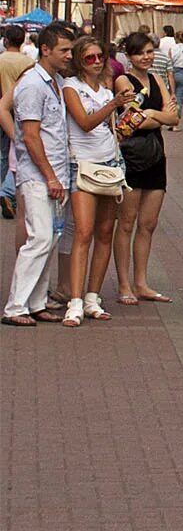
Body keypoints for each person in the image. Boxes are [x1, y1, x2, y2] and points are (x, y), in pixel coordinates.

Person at [3, 24, 76, 327]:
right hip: (38, 175)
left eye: (70, 50)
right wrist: (50, 176)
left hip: (55, 172)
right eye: (64, 50)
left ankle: (35, 302)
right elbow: (31, 136)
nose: (69, 55)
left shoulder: (55, 82)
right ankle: (15, 306)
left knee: (51, 237)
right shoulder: (33, 84)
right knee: (40, 238)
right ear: (45, 50)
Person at [61, 35, 132, 326]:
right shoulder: (71, 87)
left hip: (109, 162)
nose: (96, 62)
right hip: (82, 164)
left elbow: (108, 127)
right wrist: (114, 103)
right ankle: (75, 300)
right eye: (89, 57)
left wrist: (126, 121)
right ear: (79, 61)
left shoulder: (104, 89)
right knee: (83, 231)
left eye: (100, 56)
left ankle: (93, 297)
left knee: (105, 232)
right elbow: (85, 123)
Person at [112, 31, 178, 305]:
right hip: (131, 156)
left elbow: (174, 116)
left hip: (155, 155)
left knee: (148, 224)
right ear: (129, 56)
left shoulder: (156, 79)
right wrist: (156, 116)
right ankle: (124, 284)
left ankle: (141, 282)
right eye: (140, 53)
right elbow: (131, 120)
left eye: (150, 52)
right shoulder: (123, 80)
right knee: (126, 223)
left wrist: (151, 115)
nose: (146, 57)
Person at [0, 24, 35, 218]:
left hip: (3, 107)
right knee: (17, 154)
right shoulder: (29, 63)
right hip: (21, 111)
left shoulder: (1, 59)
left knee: (3, 155)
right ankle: (7, 191)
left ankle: (4, 190)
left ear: (6, 40)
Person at [167, 31, 183, 127]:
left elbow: (169, 63)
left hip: (173, 72)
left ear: (175, 39)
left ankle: (170, 118)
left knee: (171, 97)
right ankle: (176, 122)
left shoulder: (171, 49)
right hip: (182, 73)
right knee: (180, 99)